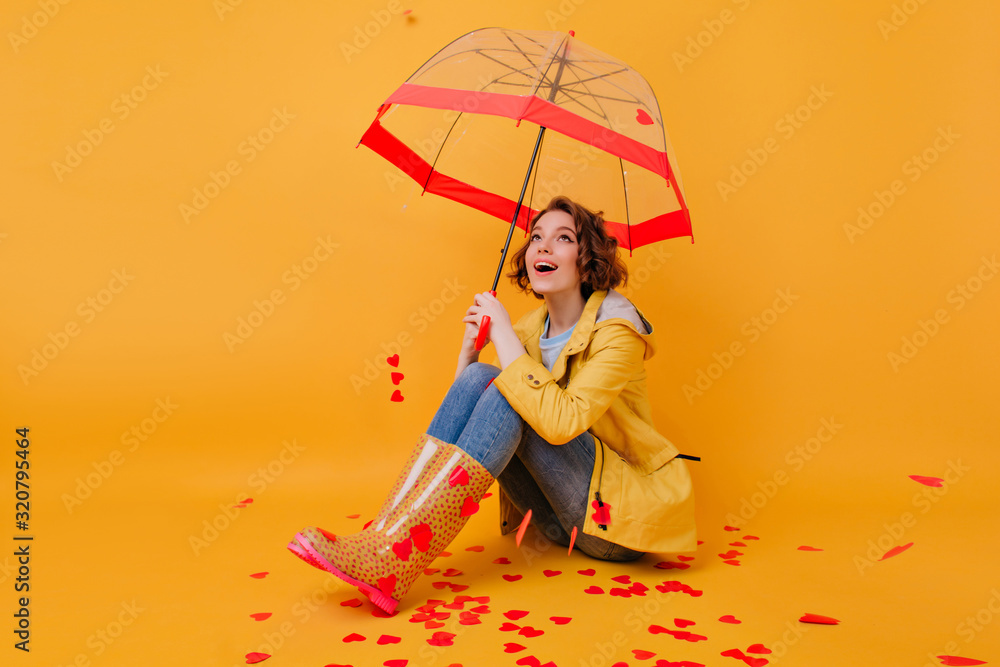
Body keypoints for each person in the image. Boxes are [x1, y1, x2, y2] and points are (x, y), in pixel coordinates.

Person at [288, 196, 696, 614]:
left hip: (611, 524)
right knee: (484, 377)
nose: (543, 247)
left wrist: (500, 332)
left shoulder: (618, 330)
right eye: (537, 237)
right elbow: (479, 417)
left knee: (505, 385)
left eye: (563, 239)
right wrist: (469, 354)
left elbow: (561, 422)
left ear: (587, 257)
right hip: (553, 518)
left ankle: (393, 558)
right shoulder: (529, 330)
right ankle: (384, 536)